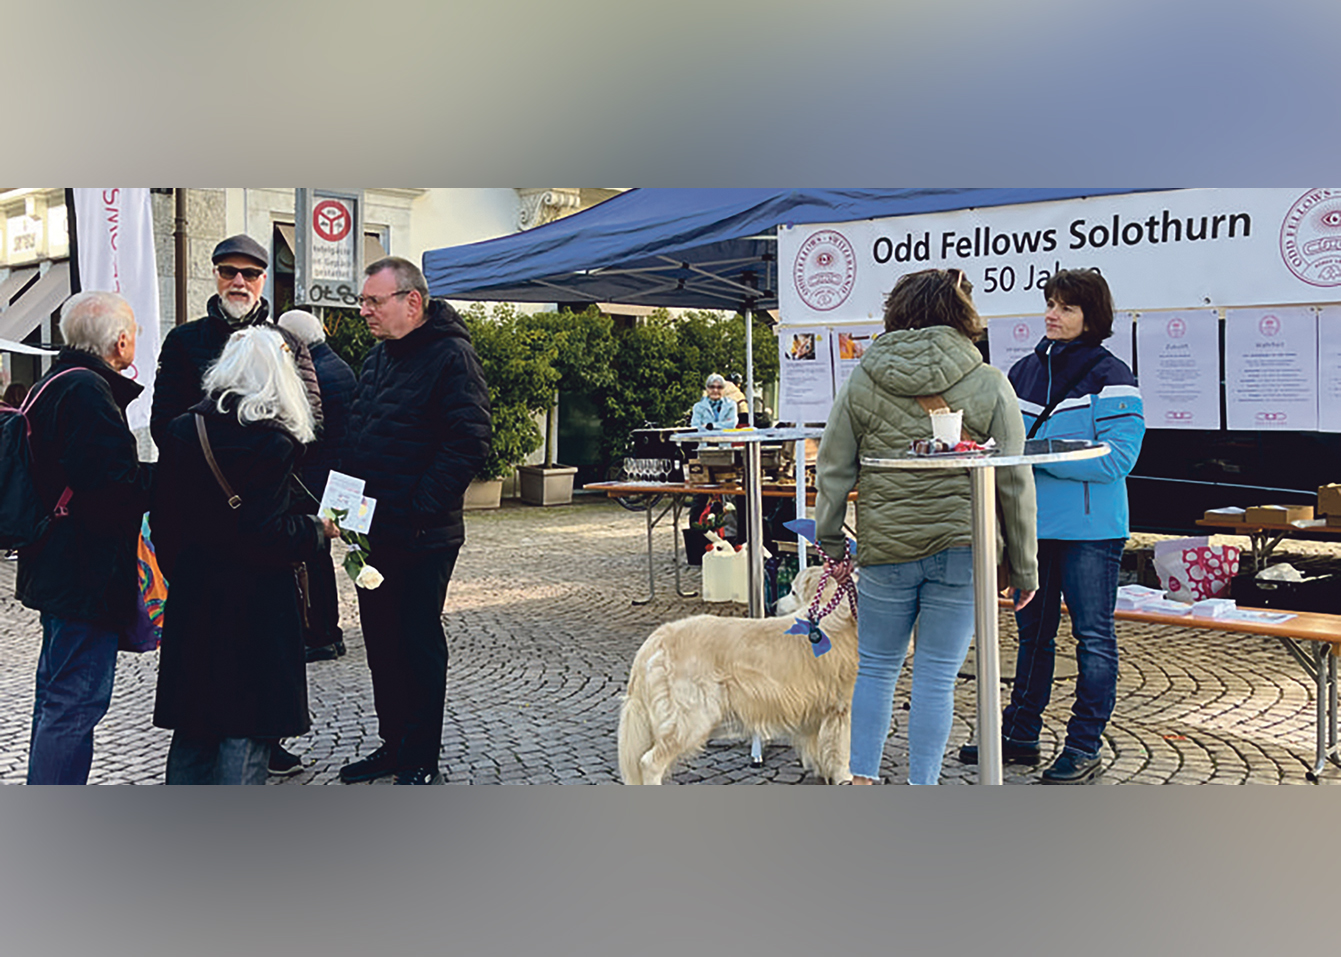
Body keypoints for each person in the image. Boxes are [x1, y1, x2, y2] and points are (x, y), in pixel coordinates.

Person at [814, 268, 1038, 785]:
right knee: (936, 676)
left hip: (886, 548)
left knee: (875, 668)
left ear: (897, 312)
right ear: (962, 314)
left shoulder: (862, 381)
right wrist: (1023, 566)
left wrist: (829, 538)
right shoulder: (988, 382)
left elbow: (833, 469)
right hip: (964, 547)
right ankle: (923, 787)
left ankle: (863, 780)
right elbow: (1014, 480)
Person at [962, 269, 1145, 784]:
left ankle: (1084, 746)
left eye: (1065, 307)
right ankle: (1020, 733)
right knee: (1032, 638)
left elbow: (1116, 459)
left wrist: (1035, 455)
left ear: (1092, 316)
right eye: (1049, 303)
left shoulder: (1113, 376)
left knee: (1093, 638)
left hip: (1092, 533)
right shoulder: (1021, 371)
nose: (1051, 314)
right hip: (1032, 529)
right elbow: (998, 447)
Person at [151, 233, 321, 776]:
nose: (239, 282)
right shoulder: (185, 341)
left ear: (263, 279)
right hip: (223, 553)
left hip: (218, 556)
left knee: (209, 718)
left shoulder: (283, 341)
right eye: (229, 272)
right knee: (230, 720)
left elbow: (310, 418)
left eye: (249, 273)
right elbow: (164, 430)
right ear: (216, 276)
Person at [337, 257, 491, 786]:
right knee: (380, 642)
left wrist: (419, 506)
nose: (364, 311)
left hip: (423, 535)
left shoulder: (452, 357)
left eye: (373, 301)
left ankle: (421, 755)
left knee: (416, 642)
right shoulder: (378, 358)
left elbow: (468, 442)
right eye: (363, 301)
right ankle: (393, 743)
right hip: (371, 531)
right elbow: (360, 433)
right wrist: (344, 503)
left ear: (412, 302)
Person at [17, 291, 153, 785]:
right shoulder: (88, 393)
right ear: (121, 341)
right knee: (73, 703)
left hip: (55, 564)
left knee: (56, 697)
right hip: (84, 573)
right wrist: (170, 477)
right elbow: (112, 487)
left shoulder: (54, 382)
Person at [277, 309, 358, 663]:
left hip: (314, 480)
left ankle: (321, 633)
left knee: (312, 559)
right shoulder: (338, 365)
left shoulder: (314, 374)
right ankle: (329, 632)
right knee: (321, 557)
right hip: (337, 477)